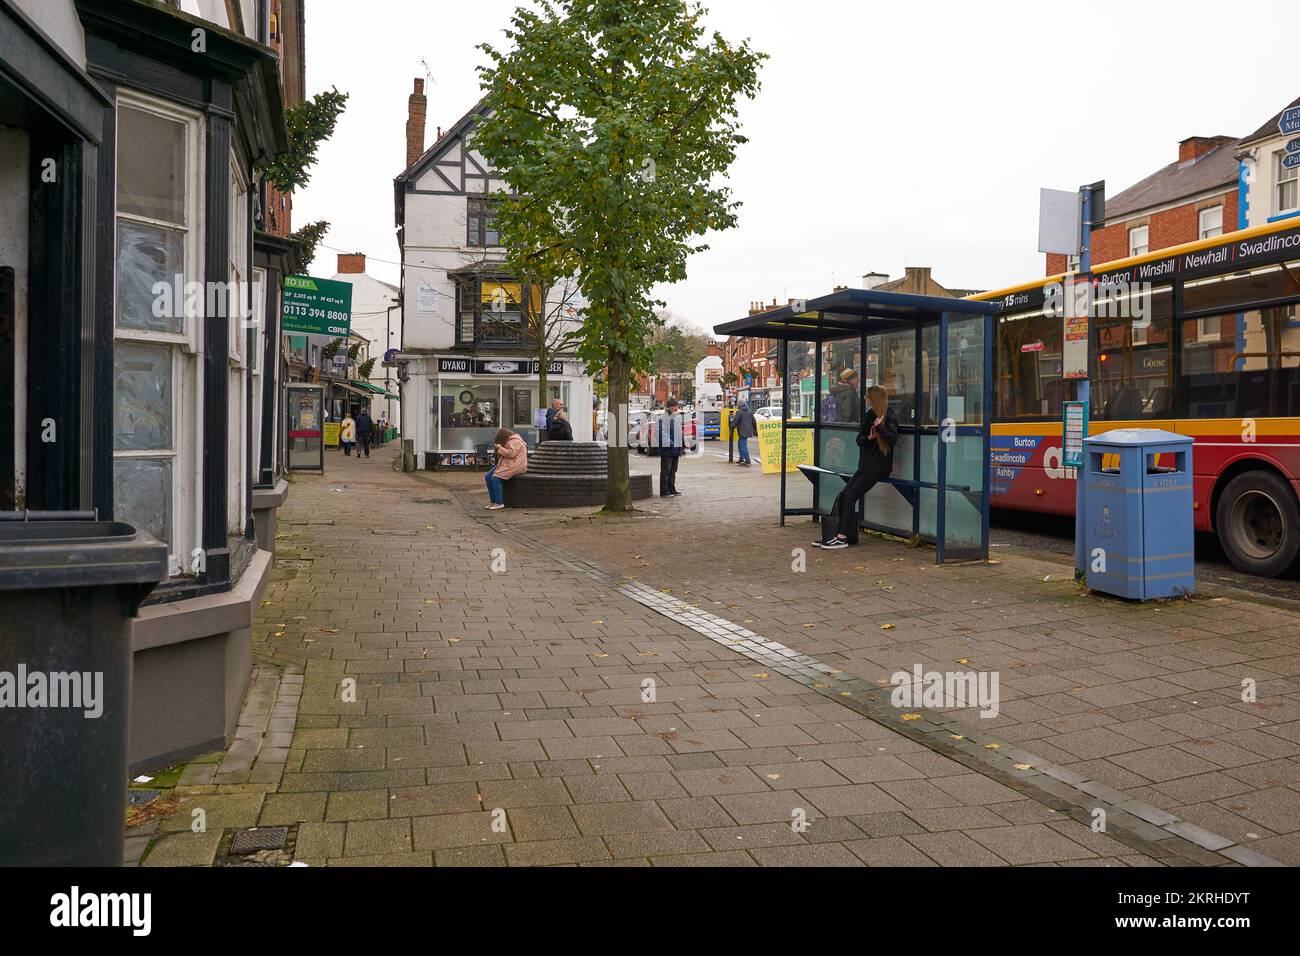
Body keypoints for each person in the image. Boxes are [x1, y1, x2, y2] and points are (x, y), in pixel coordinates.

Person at [817, 385, 898, 550]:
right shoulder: (869, 415)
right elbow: (859, 440)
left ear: (875, 398)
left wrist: (880, 427)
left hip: (878, 467)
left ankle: (842, 537)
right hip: (865, 466)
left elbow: (892, 440)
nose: (866, 399)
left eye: (868, 397)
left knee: (851, 496)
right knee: (844, 495)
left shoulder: (888, 415)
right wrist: (868, 437)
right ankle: (839, 534)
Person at [486, 426, 527, 510]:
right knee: (488, 476)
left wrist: (500, 448)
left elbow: (511, 454)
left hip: (515, 465)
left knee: (495, 478)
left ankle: (499, 502)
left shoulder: (514, 441)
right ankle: (493, 501)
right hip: (508, 463)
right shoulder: (511, 441)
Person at [655, 398, 686, 496]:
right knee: (666, 471)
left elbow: (679, 432)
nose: (676, 409)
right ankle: (664, 491)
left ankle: (671, 488)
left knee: (673, 470)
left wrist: (683, 443)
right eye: (674, 407)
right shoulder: (662, 419)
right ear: (669, 408)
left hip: (675, 449)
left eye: (676, 407)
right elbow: (661, 434)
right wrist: (672, 443)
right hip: (667, 449)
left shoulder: (676, 418)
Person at [731, 402, 756, 466]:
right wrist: (754, 429)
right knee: (740, 444)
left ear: (739, 405)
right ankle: (741, 458)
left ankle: (747, 460)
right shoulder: (750, 412)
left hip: (742, 431)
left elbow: (736, 421)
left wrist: (731, 426)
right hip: (748, 431)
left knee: (743, 445)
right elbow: (754, 421)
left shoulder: (739, 412)